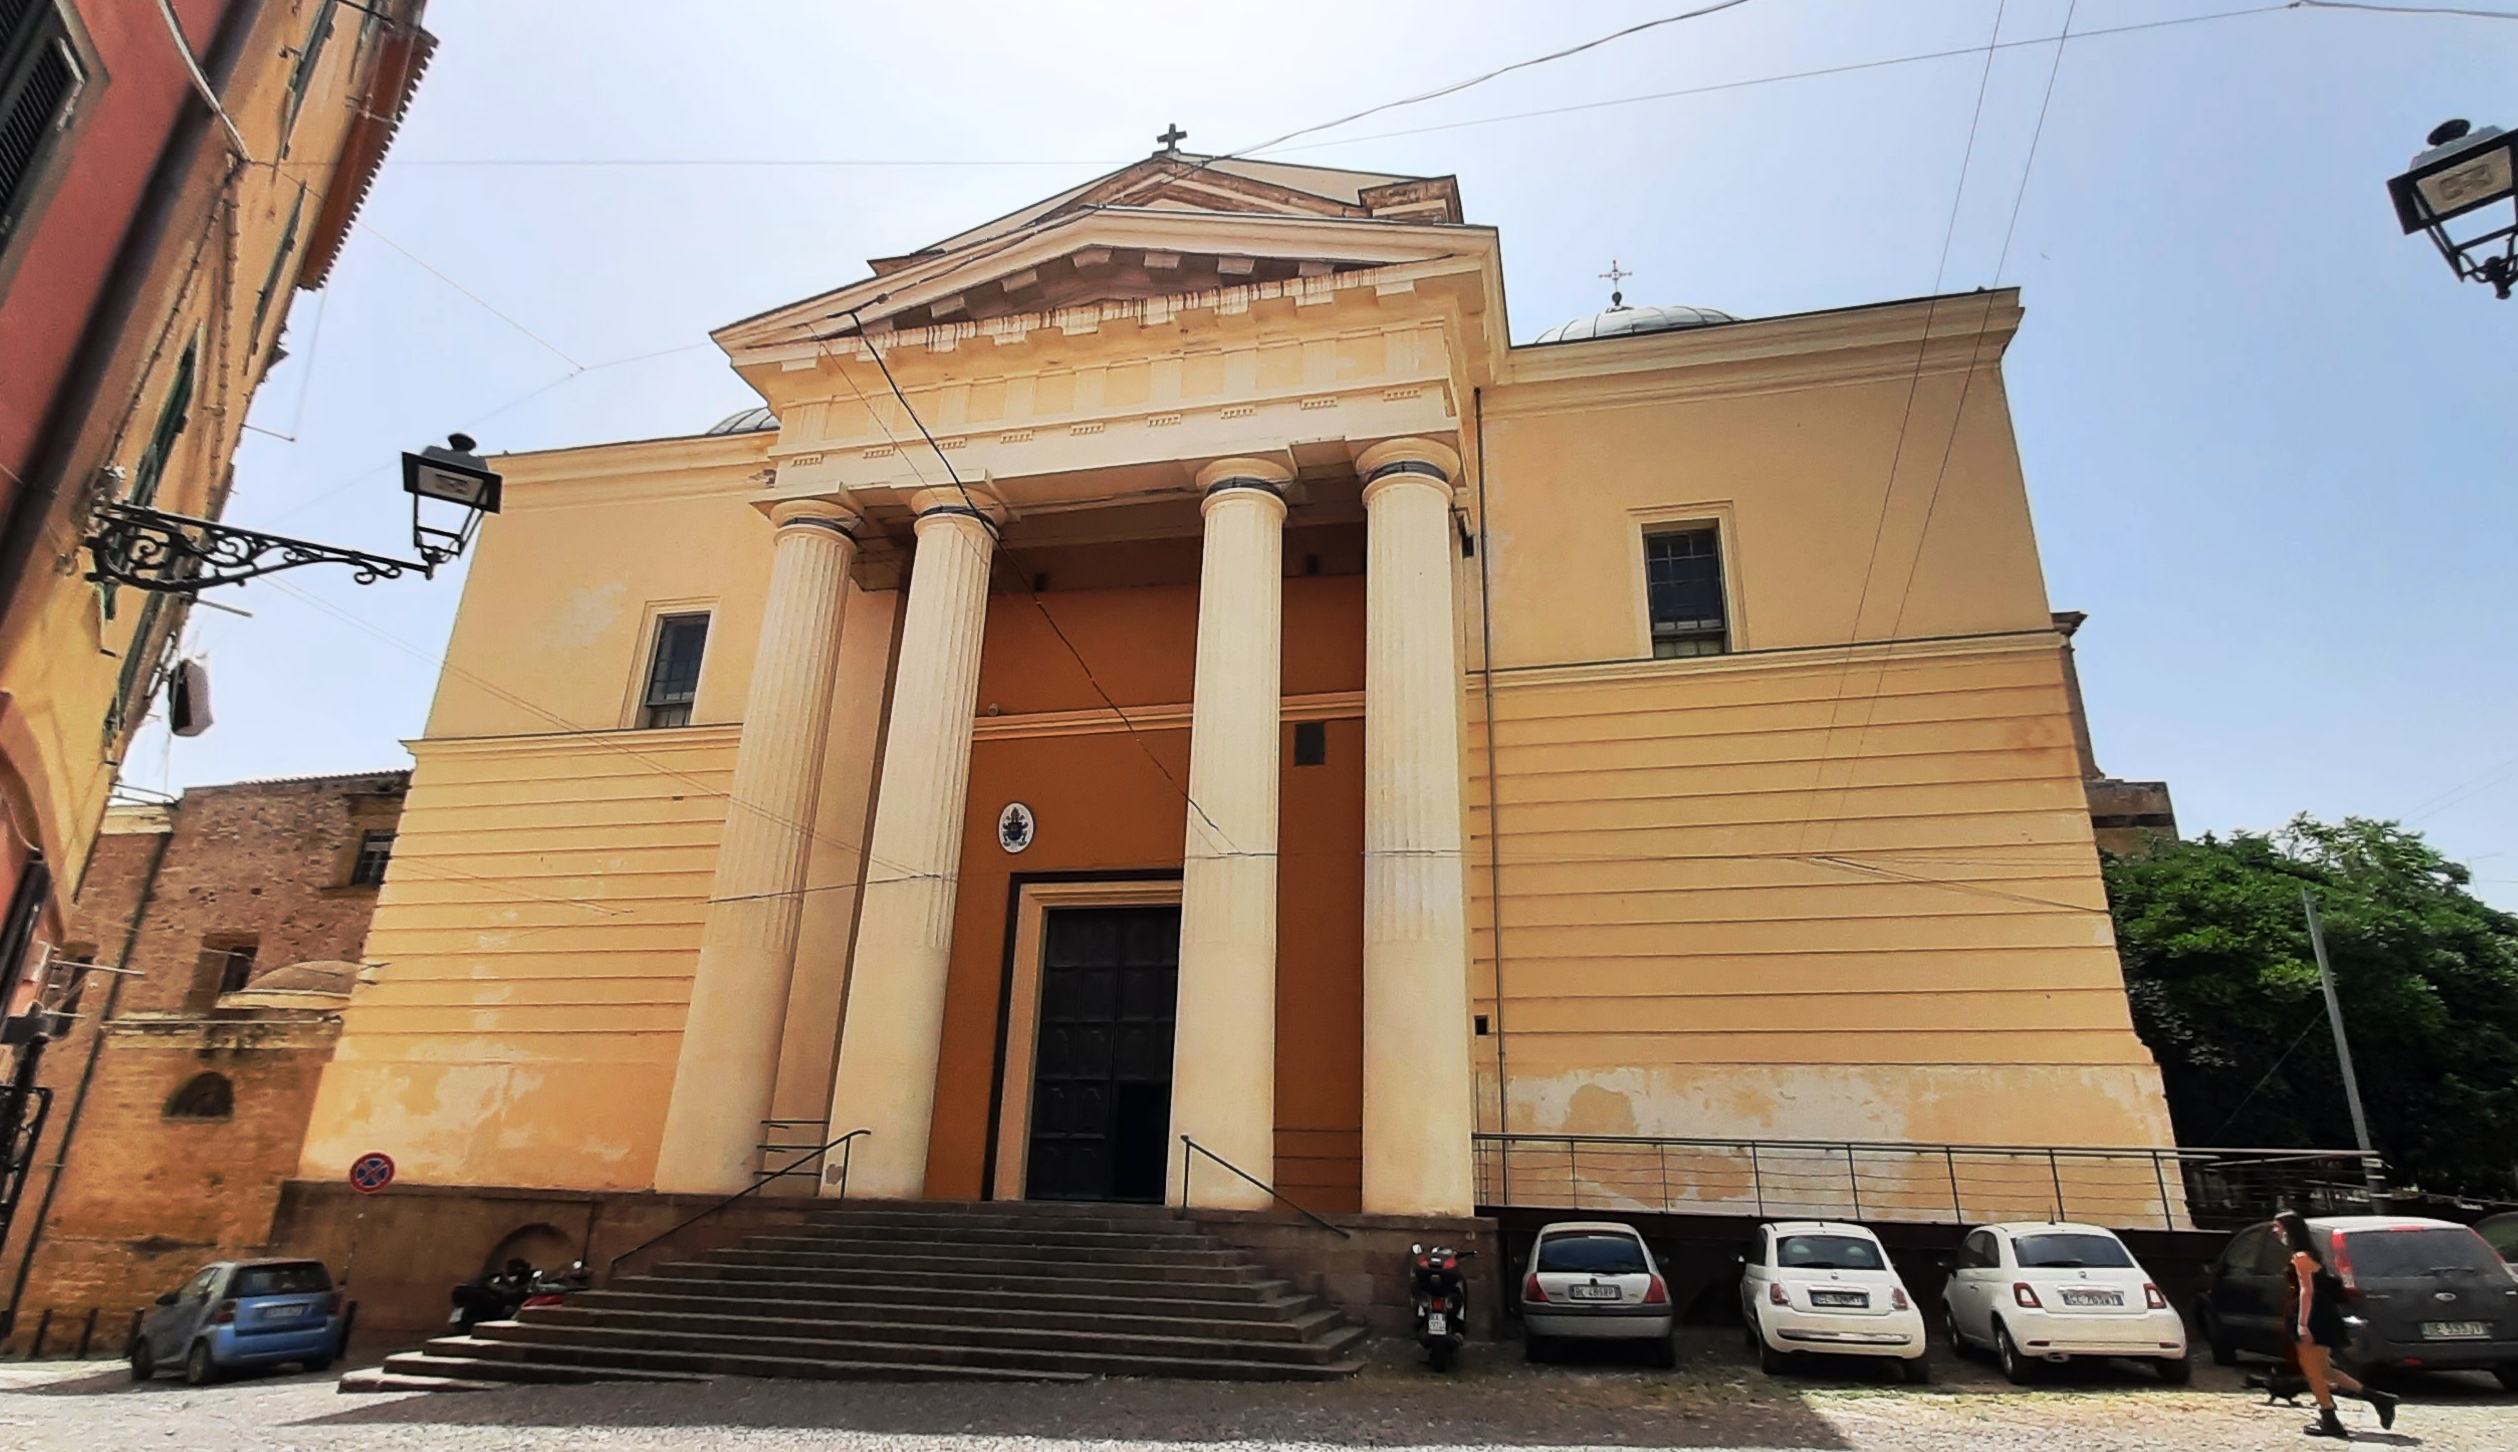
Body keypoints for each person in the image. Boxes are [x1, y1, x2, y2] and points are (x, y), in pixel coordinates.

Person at [2277, 1209, 2398, 1438]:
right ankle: (2378, 1398)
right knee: (2324, 1369)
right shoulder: (2312, 1254)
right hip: (2321, 1315)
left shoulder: (2301, 1257)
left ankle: (2329, 1418)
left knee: (2314, 1371)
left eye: (2279, 1227)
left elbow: (2307, 1291)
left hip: (2311, 1316)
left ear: (2289, 1230)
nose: (2276, 1231)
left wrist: (2303, 1323)